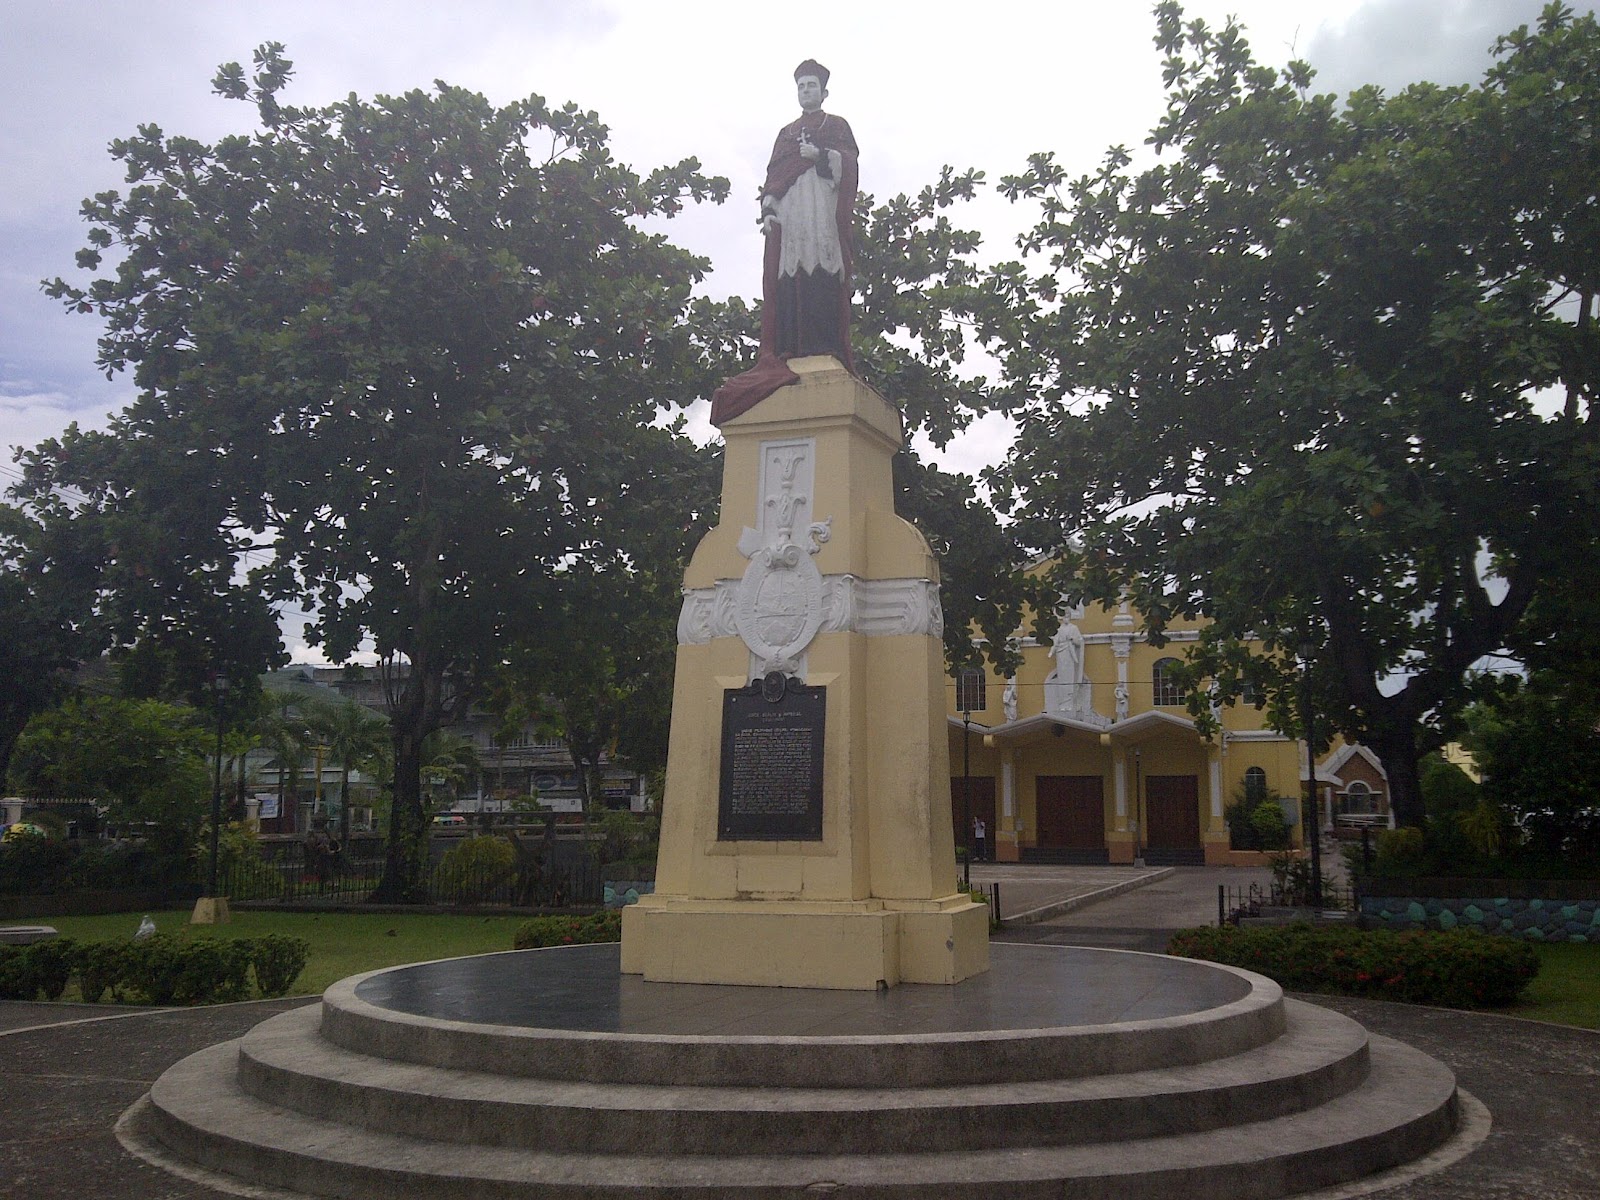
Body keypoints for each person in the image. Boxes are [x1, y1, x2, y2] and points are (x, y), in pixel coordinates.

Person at [710, 59, 859, 424]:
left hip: (821, 210)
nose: (806, 92)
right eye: (801, 87)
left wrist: (821, 156)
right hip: (792, 218)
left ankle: (823, 345)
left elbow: (850, 167)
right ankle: (790, 346)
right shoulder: (786, 133)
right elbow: (774, 175)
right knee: (789, 274)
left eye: (812, 86)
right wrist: (769, 207)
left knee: (822, 267)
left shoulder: (835, 126)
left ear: (823, 92)